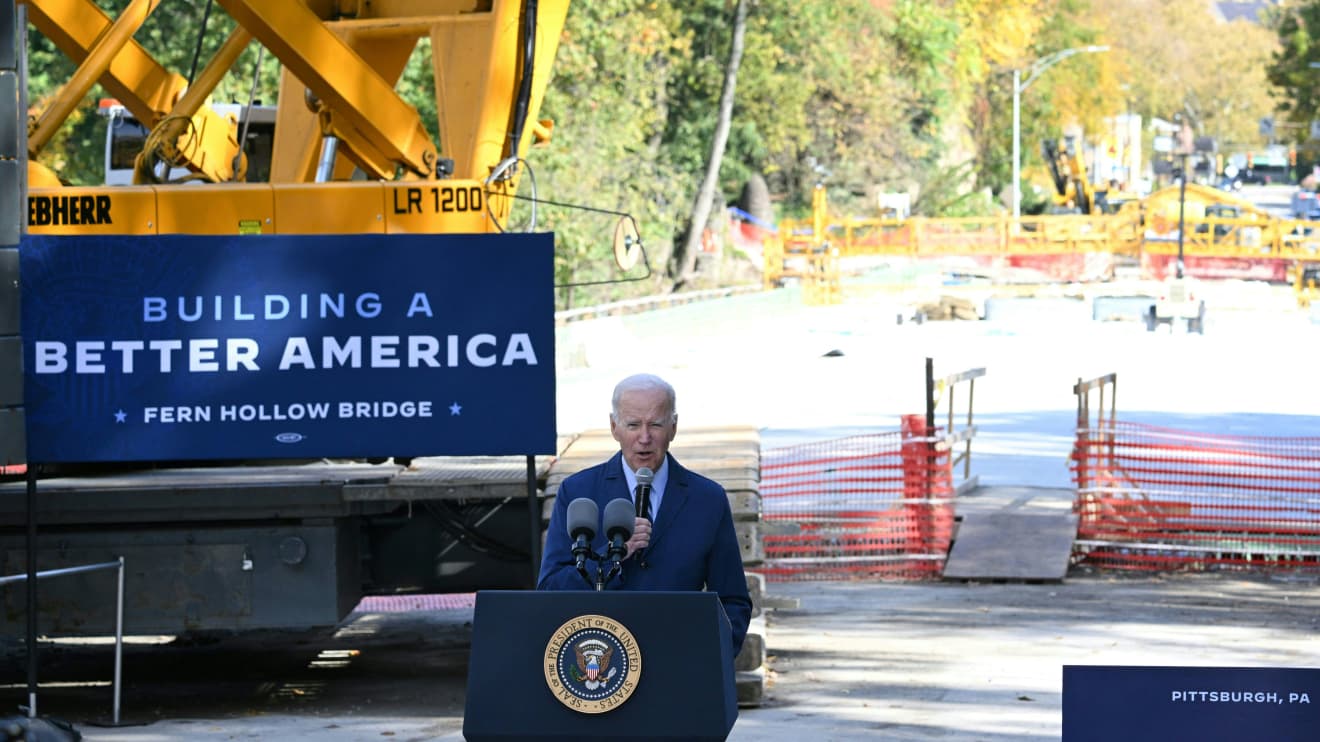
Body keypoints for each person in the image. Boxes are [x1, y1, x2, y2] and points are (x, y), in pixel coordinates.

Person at [537, 373, 752, 657]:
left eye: (656, 424)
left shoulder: (707, 498)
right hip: (601, 667)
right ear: (614, 427)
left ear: (673, 427)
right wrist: (611, 554)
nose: (644, 438)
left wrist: (712, 660)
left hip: (678, 662)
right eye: (633, 425)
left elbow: (733, 600)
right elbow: (551, 589)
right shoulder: (578, 492)